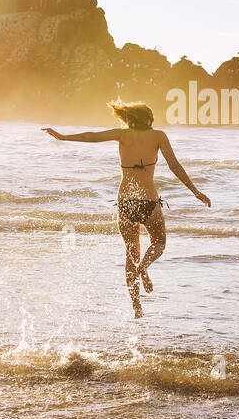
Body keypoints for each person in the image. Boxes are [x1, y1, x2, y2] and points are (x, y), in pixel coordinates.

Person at [43, 101, 210, 317]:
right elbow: (174, 166)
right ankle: (145, 266)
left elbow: (91, 136)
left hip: (125, 202)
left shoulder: (122, 135)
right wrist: (195, 192)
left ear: (129, 119)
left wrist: (63, 137)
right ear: (149, 119)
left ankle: (136, 306)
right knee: (158, 243)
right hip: (149, 200)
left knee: (130, 253)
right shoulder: (159, 136)